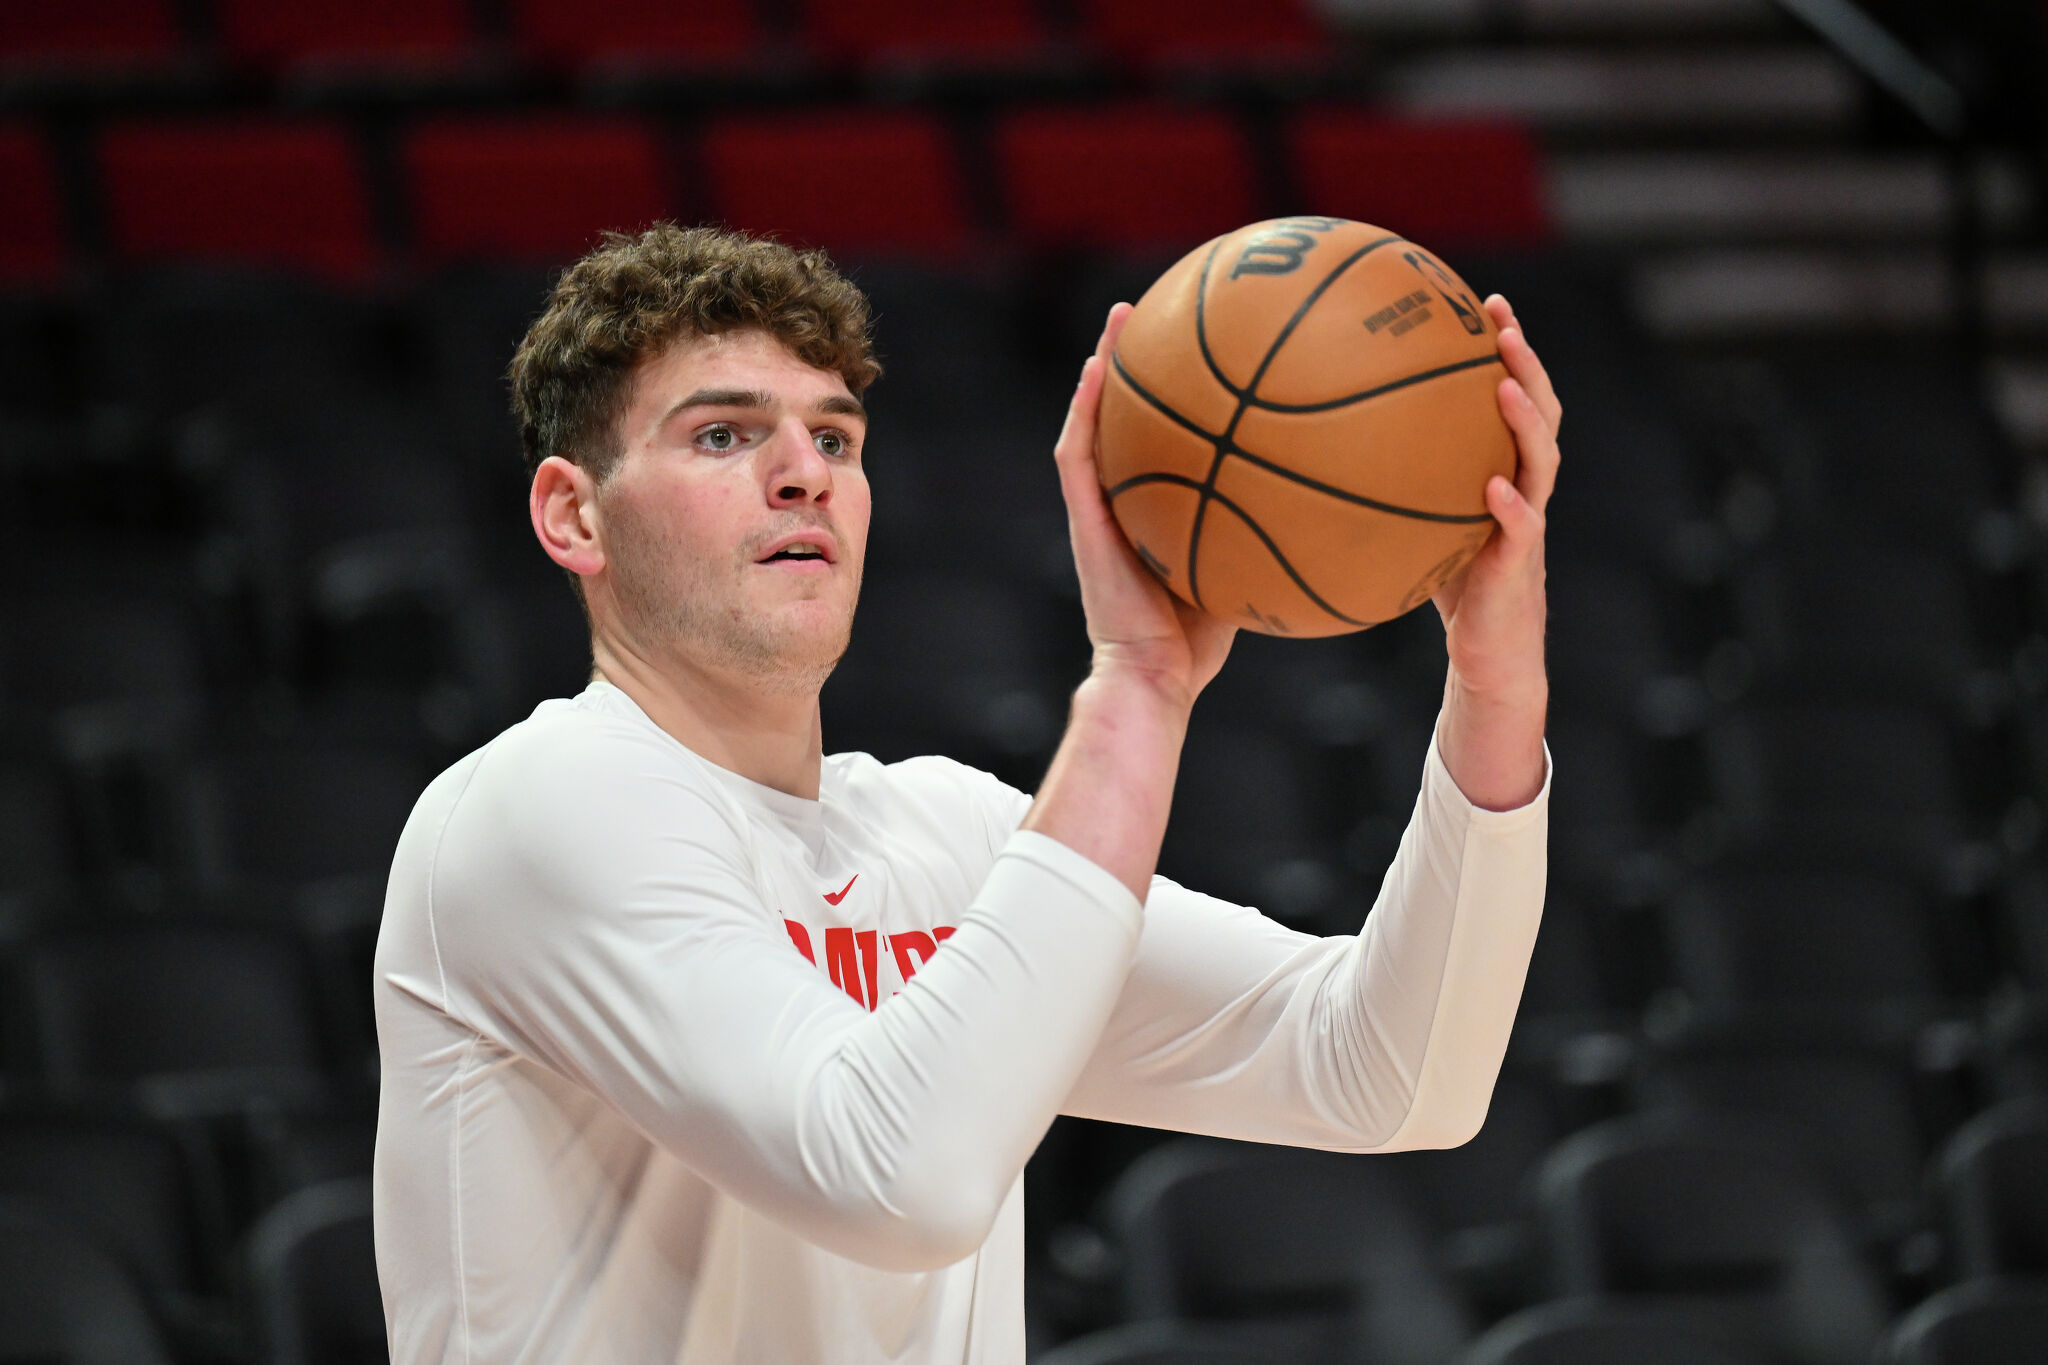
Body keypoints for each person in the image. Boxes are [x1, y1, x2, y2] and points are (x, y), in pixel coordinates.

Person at [372, 224, 1558, 1364]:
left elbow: (1392, 1072)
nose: (803, 475)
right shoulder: (535, 810)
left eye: (834, 439)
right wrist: (1138, 687)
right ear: (573, 514)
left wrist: (1496, 685)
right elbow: (902, 1182)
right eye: (724, 437)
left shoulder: (944, 828)